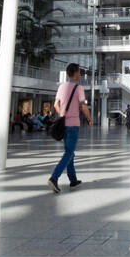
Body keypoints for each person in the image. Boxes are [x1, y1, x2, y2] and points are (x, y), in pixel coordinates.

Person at [48, 63, 91, 194]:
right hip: (73, 125)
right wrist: (89, 119)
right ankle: (54, 178)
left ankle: (73, 180)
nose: (80, 74)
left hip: (63, 123)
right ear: (76, 73)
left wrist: (62, 114)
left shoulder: (61, 86)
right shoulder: (79, 88)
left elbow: (56, 104)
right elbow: (83, 106)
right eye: (79, 71)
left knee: (70, 151)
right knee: (69, 152)